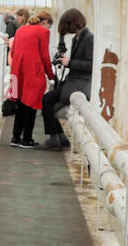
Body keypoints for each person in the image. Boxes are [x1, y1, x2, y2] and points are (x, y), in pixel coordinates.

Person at [39, 8, 94, 150]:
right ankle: (60, 138)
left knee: (47, 100)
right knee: (49, 102)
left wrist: (69, 63)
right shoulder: (79, 37)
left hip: (80, 84)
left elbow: (91, 65)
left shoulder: (88, 38)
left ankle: (56, 138)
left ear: (72, 23)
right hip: (74, 81)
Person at [9, 9, 54, 147]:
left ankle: (15, 137)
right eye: (49, 25)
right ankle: (27, 139)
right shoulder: (43, 32)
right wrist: (51, 75)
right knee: (31, 104)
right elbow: (45, 57)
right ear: (45, 22)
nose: (48, 28)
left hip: (18, 71)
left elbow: (14, 51)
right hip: (34, 73)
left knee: (21, 104)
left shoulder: (21, 30)